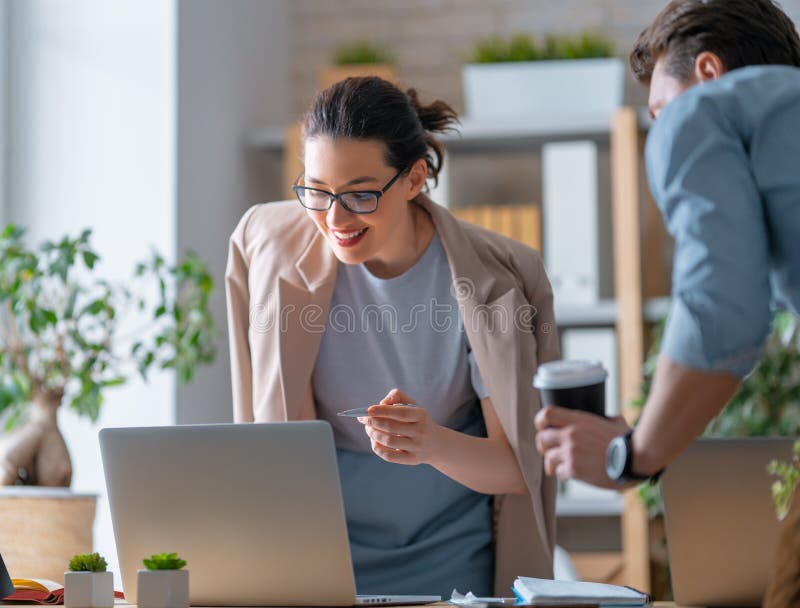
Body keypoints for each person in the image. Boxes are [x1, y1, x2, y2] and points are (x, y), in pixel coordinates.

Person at [225, 77, 560, 597]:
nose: (334, 219)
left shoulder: (491, 279)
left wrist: (431, 443)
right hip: (317, 553)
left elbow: (521, 468)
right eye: (316, 191)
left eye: (360, 194)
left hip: (451, 563)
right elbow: (259, 434)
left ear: (414, 179)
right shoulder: (268, 246)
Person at [535, 0, 800, 489]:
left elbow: (723, 317)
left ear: (708, 72)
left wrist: (631, 456)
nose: (662, 132)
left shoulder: (702, 110)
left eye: (659, 112)